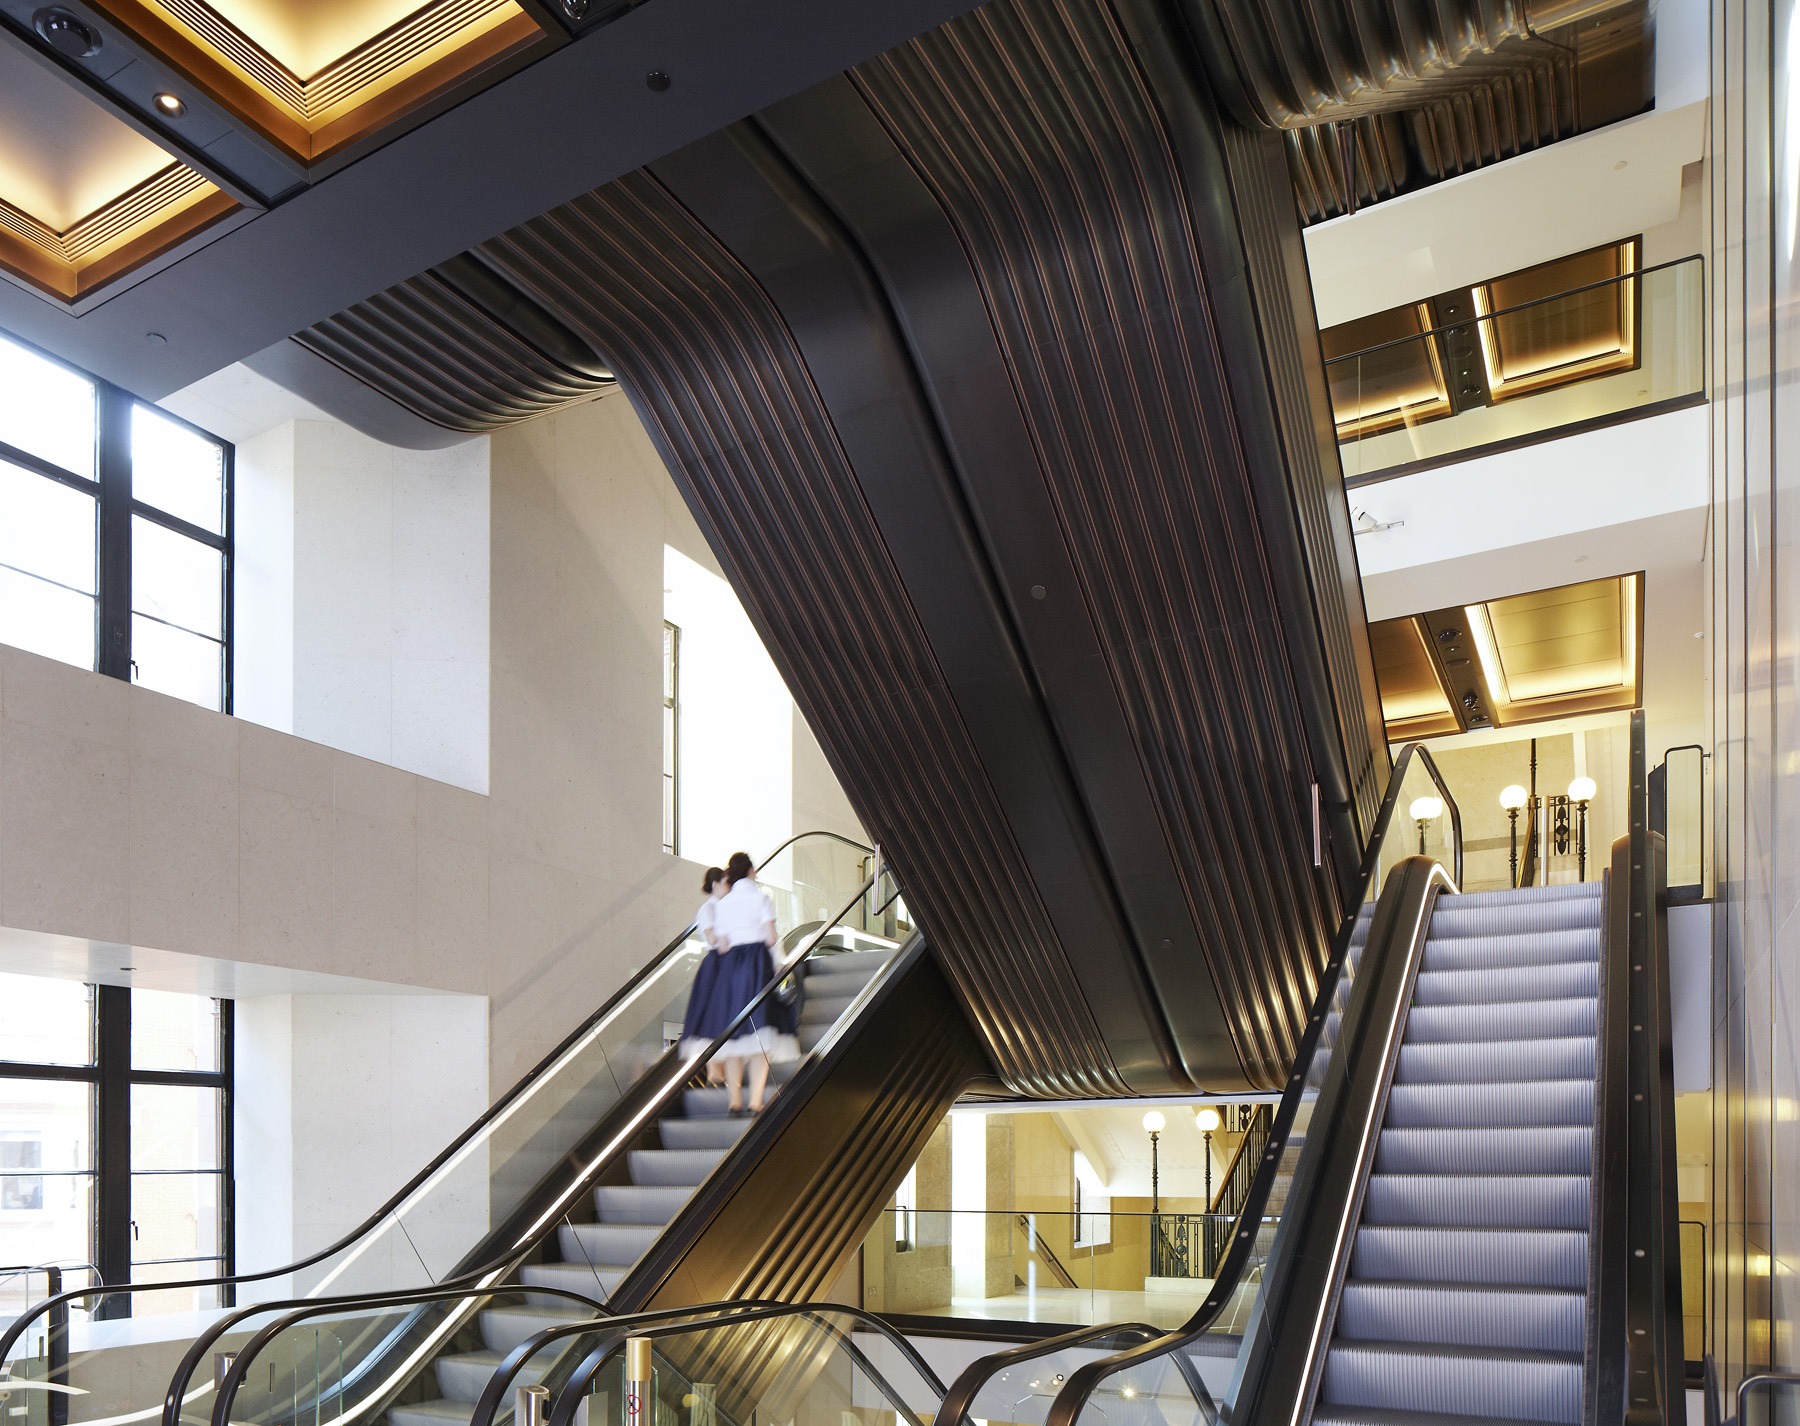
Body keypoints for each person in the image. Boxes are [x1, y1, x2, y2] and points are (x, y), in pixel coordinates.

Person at [678, 851, 796, 1114]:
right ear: (752, 871)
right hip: (755, 964)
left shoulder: (722, 905)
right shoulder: (761, 897)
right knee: (761, 1035)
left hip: (729, 971)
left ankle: (734, 1101)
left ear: (731, 874)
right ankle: (754, 1100)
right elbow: (771, 937)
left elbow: (719, 942)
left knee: (732, 1038)